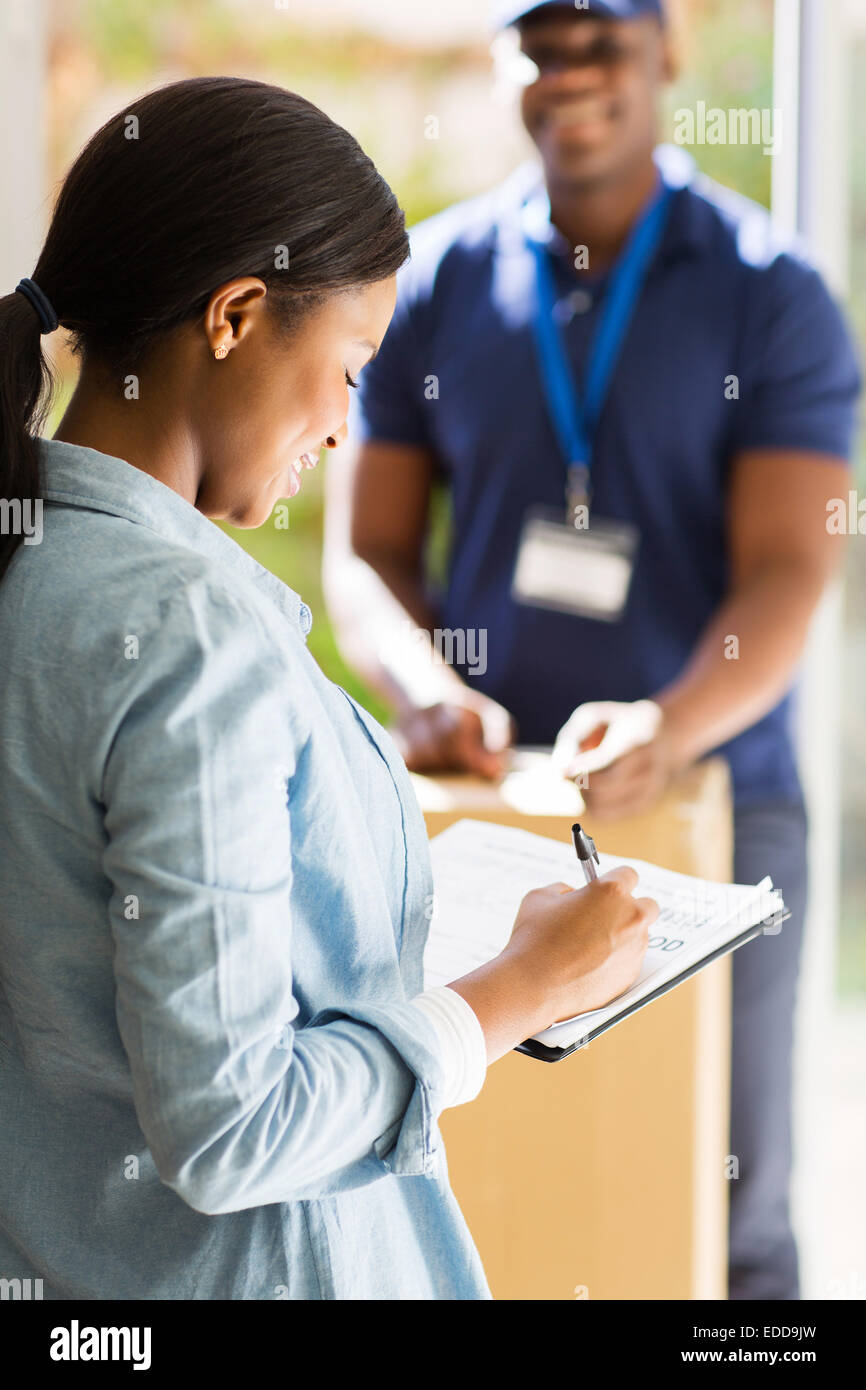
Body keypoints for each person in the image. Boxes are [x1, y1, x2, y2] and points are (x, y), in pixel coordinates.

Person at [0, 75, 659, 1301]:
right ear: (236, 317)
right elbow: (230, 1127)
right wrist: (516, 991)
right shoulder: (186, 632)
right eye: (352, 366)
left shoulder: (27, 562)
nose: (347, 427)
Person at [323, 1, 861, 1299]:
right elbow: (365, 557)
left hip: (710, 802)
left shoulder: (768, 291)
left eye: (599, 42)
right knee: (491, 1184)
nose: (567, 73)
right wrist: (420, 686)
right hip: (485, 812)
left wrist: (670, 724)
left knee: (726, 1204)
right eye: (538, 44)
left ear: (664, 51)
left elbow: (790, 571)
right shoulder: (436, 281)